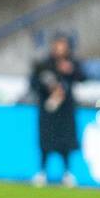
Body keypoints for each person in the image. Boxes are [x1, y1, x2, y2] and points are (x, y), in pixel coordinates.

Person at [30, 34, 85, 187]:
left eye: (63, 46)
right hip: (48, 111)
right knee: (46, 142)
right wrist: (47, 89)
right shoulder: (44, 65)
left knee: (65, 142)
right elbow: (34, 83)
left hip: (65, 111)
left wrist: (71, 70)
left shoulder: (71, 64)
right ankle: (42, 172)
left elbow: (83, 77)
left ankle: (67, 173)